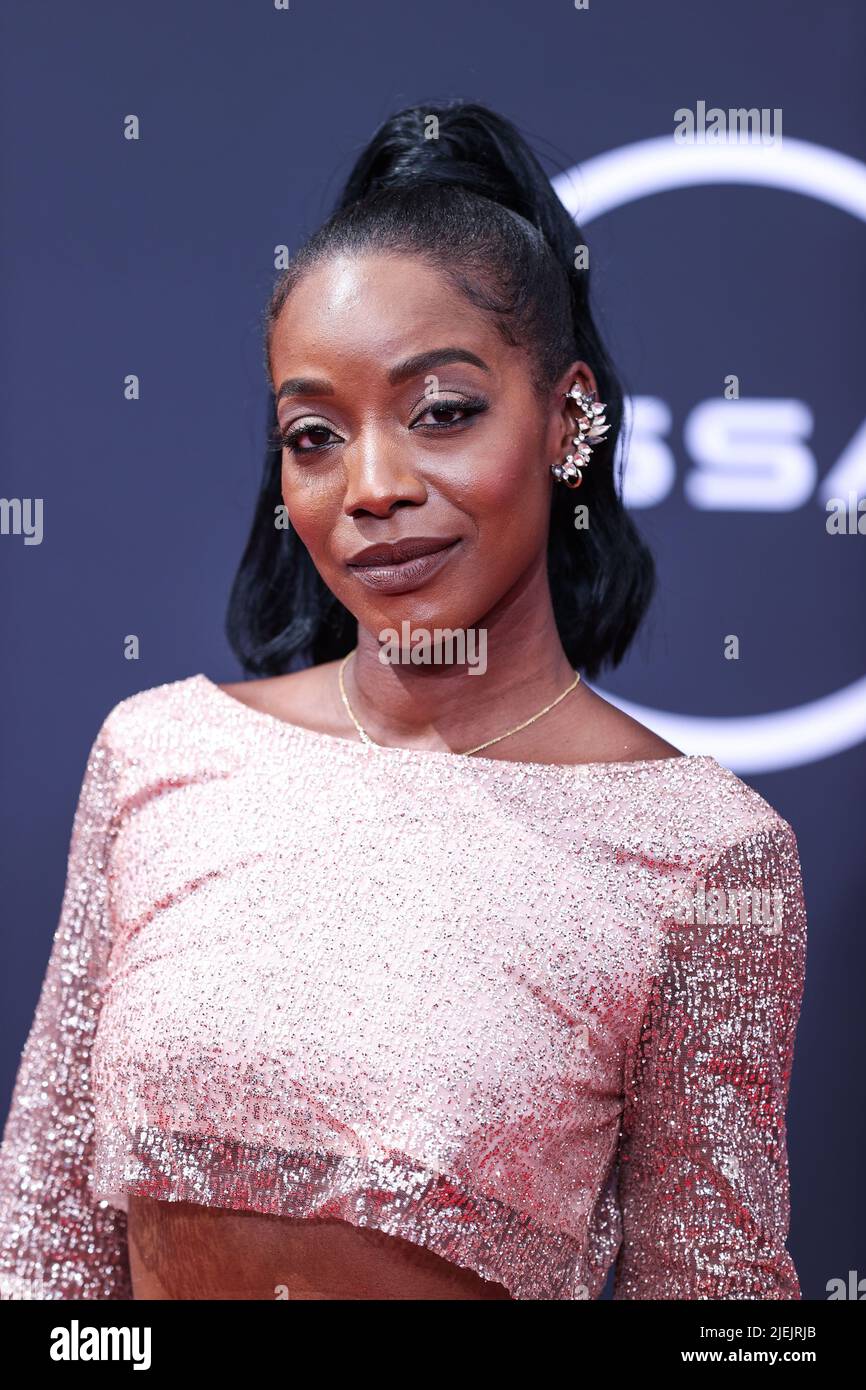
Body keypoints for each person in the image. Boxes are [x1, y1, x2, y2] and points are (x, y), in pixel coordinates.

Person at [0, 100, 807, 1301]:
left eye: (441, 412)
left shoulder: (702, 854)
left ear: (566, 419)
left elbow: (714, 1310)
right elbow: (47, 1252)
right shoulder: (158, 754)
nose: (371, 487)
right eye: (314, 433)